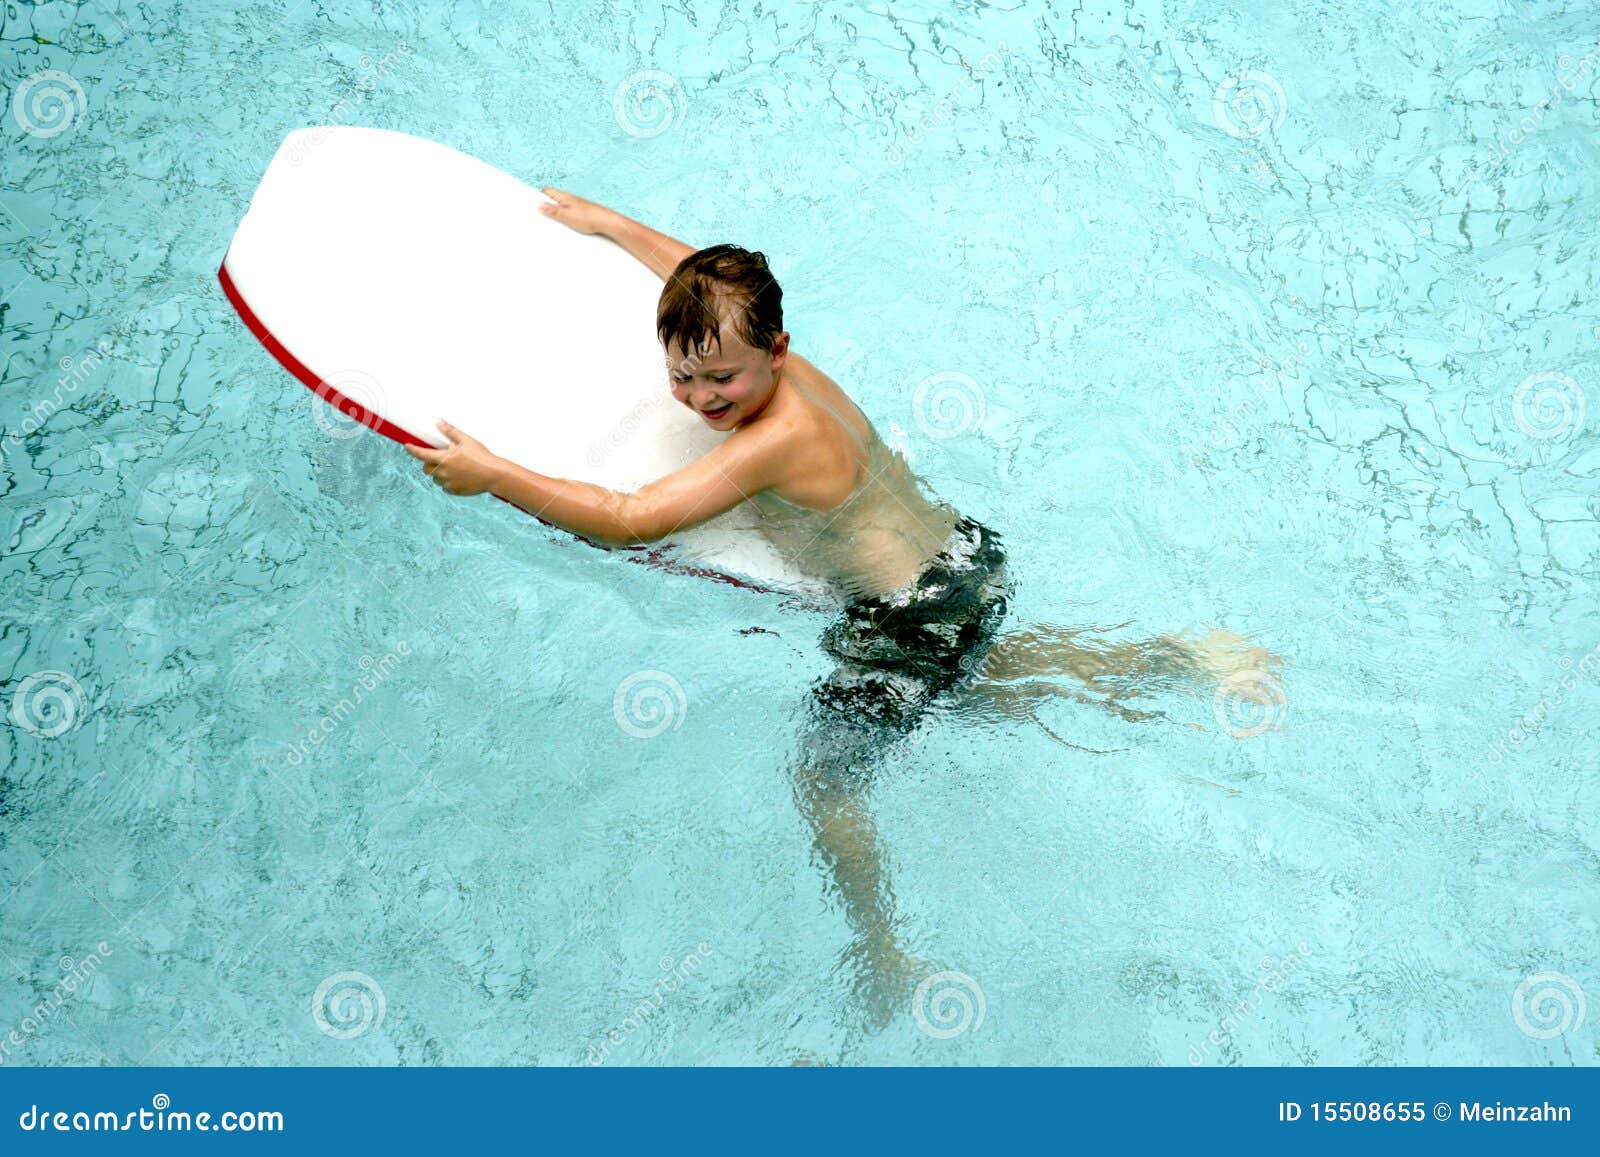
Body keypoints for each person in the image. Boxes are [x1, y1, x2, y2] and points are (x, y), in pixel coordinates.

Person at [405, 189, 1280, 1021]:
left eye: (722, 382)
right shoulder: (772, 353)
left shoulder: (774, 439)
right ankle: (1183, 658)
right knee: (994, 679)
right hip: (962, 557)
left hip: (909, 614)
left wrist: (495, 477)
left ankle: (887, 956)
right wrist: (608, 224)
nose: (703, 399)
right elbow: (691, 271)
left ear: (776, 353)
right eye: (681, 378)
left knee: (824, 783)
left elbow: (632, 523)